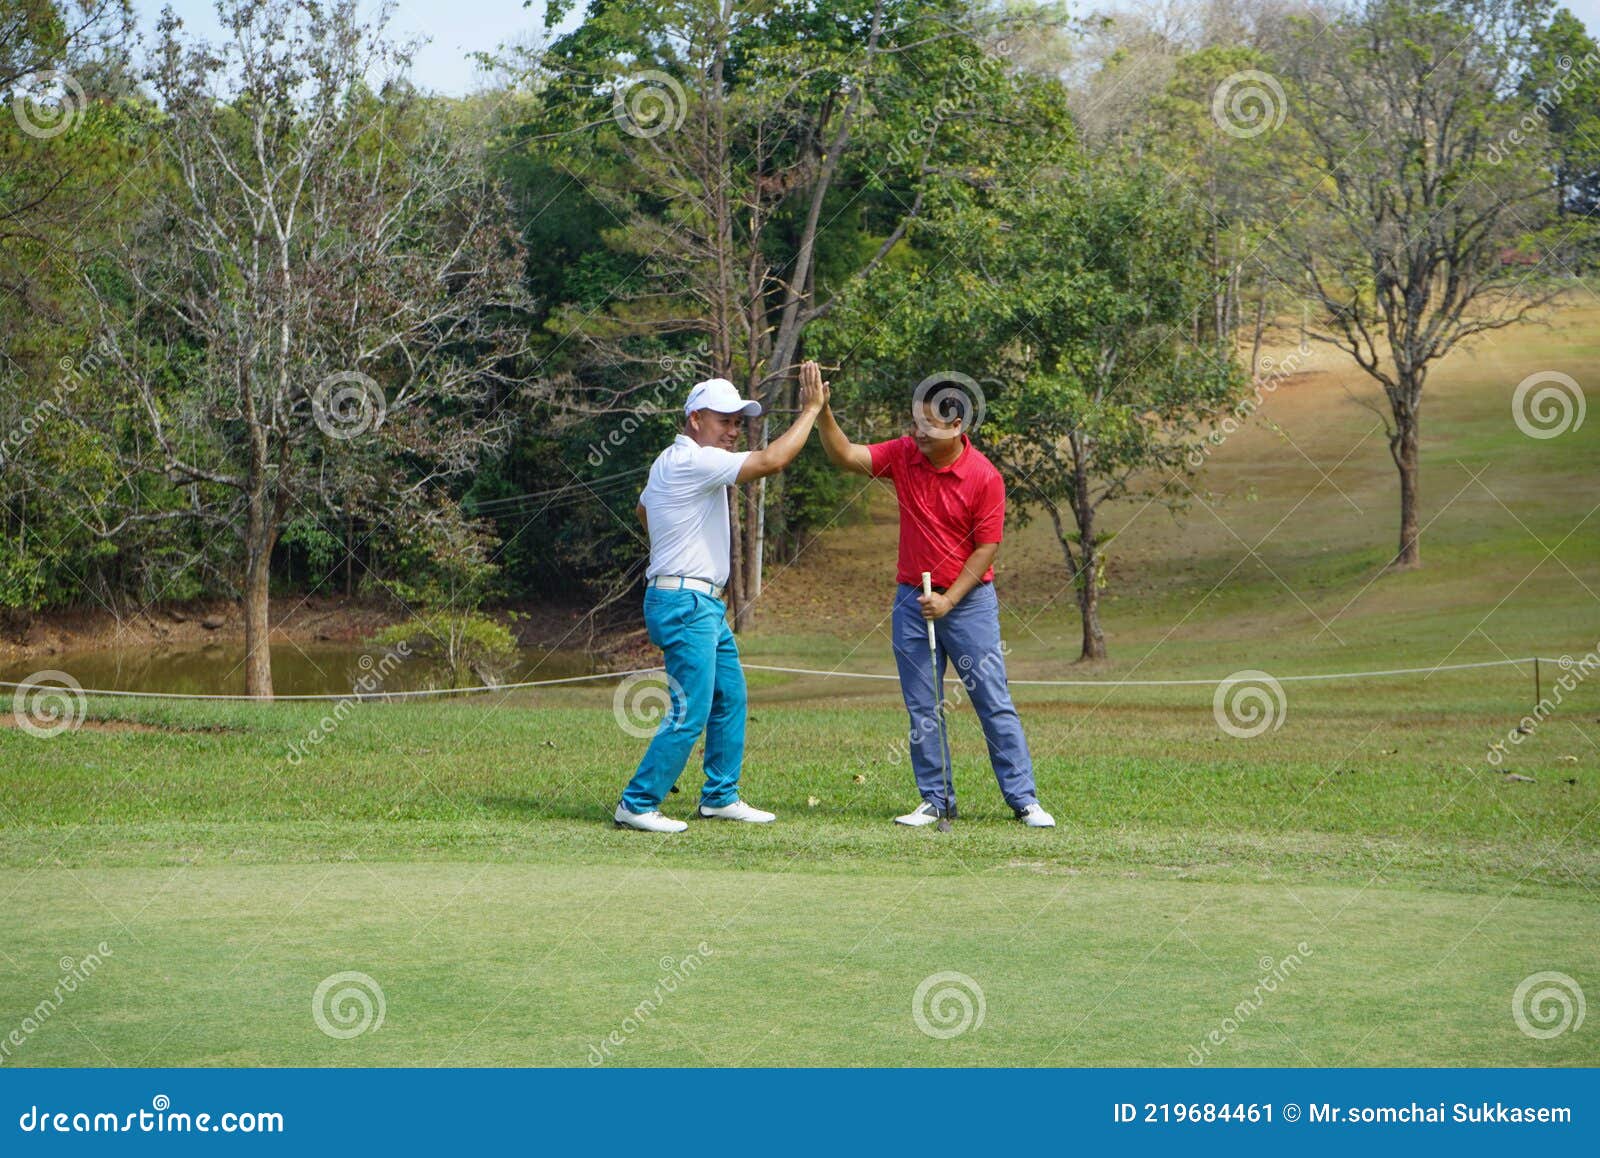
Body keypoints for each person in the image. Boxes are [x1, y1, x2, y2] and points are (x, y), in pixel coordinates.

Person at [817, 385, 1055, 828]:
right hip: (911, 599)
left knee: (991, 699)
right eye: (914, 423)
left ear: (956, 425)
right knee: (923, 706)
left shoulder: (984, 476)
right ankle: (936, 799)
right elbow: (845, 454)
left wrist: (949, 599)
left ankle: (1024, 799)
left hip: (968, 604)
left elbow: (986, 548)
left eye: (927, 424)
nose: (917, 433)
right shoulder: (905, 455)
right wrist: (822, 410)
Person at [614, 363, 827, 833]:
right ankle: (637, 802)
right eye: (724, 420)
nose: (733, 431)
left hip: (702, 604)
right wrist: (811, 409)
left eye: (737, 422)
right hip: (686, 604)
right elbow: (772, 460)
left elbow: (643, 510)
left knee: (729, 696)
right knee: (691, 710)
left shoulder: (669, 461)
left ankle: (719, 796)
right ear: (695, 420)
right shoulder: (694, 460)